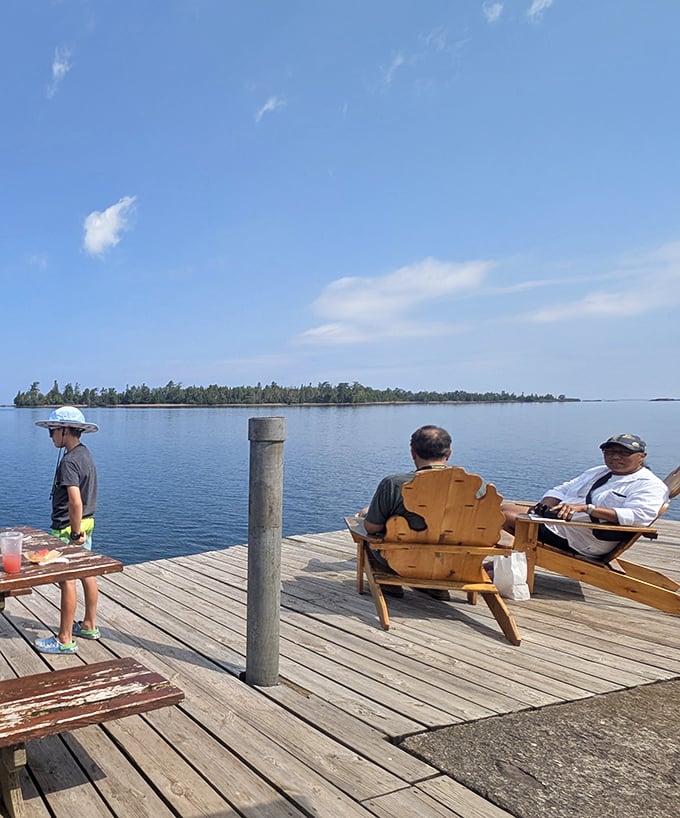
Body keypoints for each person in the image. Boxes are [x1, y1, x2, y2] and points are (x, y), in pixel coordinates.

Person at [356, 425, 484, 600]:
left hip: (403, 560)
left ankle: (389, 584)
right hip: (455, 563)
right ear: (448, 454)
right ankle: (433, 586)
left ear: (412, 453)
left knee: (366, 525)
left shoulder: (394, 484)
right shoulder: (475, 486)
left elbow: (371, 527)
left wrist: (365, 515)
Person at [502, 433, 669, 557]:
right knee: (498, 508)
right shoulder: (598, 471)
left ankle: (509, 562)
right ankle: (510, 561)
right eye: (609, 452)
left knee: (500, 516)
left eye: (624, 453)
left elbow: (639, 517)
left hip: (586, 537)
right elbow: (564, 488)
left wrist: (587, 509)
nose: (615, 457)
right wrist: (547, 504)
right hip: (562, 522)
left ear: (642, 457)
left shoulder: (649, 485)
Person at [33, 406, 101, 654]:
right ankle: (90, 625)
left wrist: (73, 535)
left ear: (64, 430)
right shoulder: (85, 454)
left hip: (68, 528)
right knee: (87, 572)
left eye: (52, 430)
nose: (50, 435)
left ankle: (64, 639)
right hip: (88, 522)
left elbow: (75, 501)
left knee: (67, 581)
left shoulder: (69, 462)